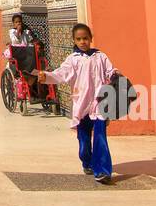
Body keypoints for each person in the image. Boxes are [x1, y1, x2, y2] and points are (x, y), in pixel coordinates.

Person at [36, 22, 115, 184]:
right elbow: (61, 74)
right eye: (79, 39)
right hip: (82, 105)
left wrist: (115, 75)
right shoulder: (73, 60)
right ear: (74, 41)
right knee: (84, 140)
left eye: (85, 38)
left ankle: (103, 170)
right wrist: (47, 76)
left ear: (91, 38)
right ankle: (87, 161)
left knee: (100, 137)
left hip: (99, 104)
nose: (82, 42)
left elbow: (111, 70)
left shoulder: (100, 56)